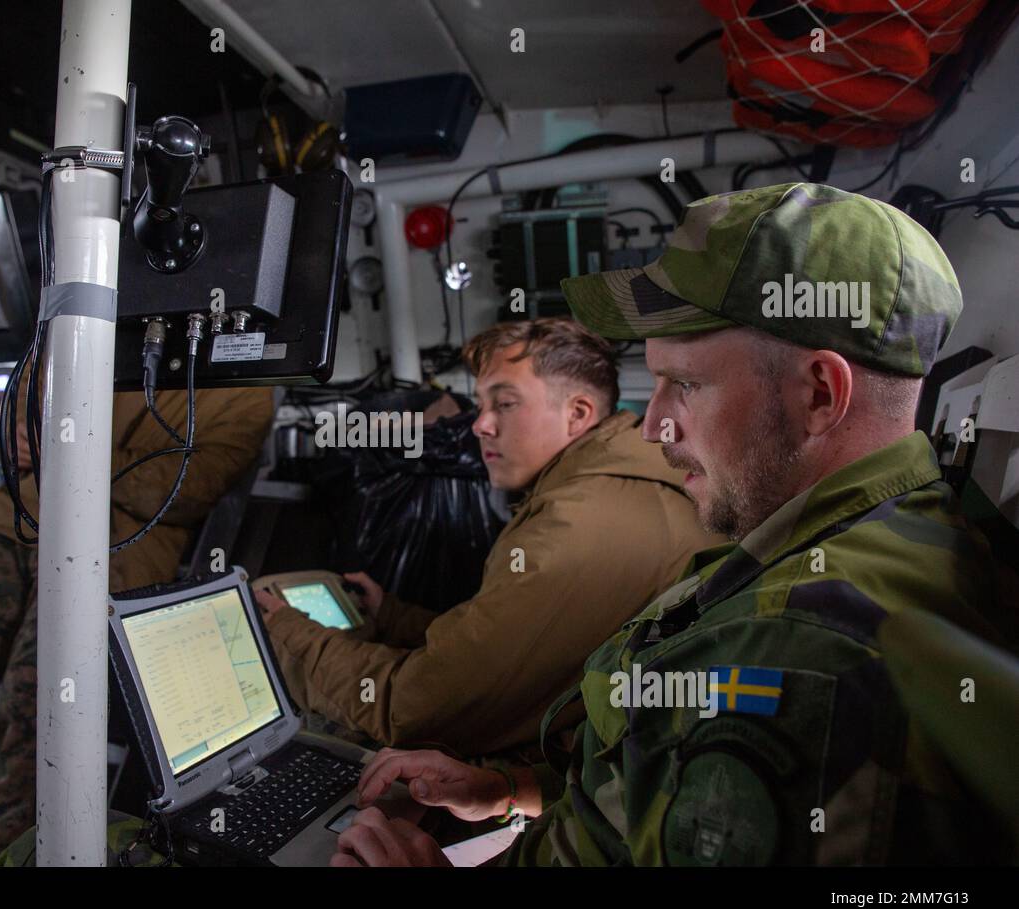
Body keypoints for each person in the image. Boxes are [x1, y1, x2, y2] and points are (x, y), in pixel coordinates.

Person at [331, 182, 1017, 867]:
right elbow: (676, 803)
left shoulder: (801, 657)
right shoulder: (909, 523)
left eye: (686, 384)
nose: (655, 424)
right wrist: (511, 788)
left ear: (818, 394)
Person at [0, 384, 274, 866]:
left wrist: (69, 448)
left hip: (117, 550)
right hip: (17, 524)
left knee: (30, 725)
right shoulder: (88, 320)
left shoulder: (245, 387)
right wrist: (9, 436)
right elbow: (20, 417)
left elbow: (186, 488)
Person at [255, 319, 720, 757]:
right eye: (481, 405)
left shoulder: (572, 528)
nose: (480, 424)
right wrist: (393, 617)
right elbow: (510, 646)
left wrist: (285, 633)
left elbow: (414, 711)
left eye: (505, 403)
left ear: (577, 414)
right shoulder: (626, 482)